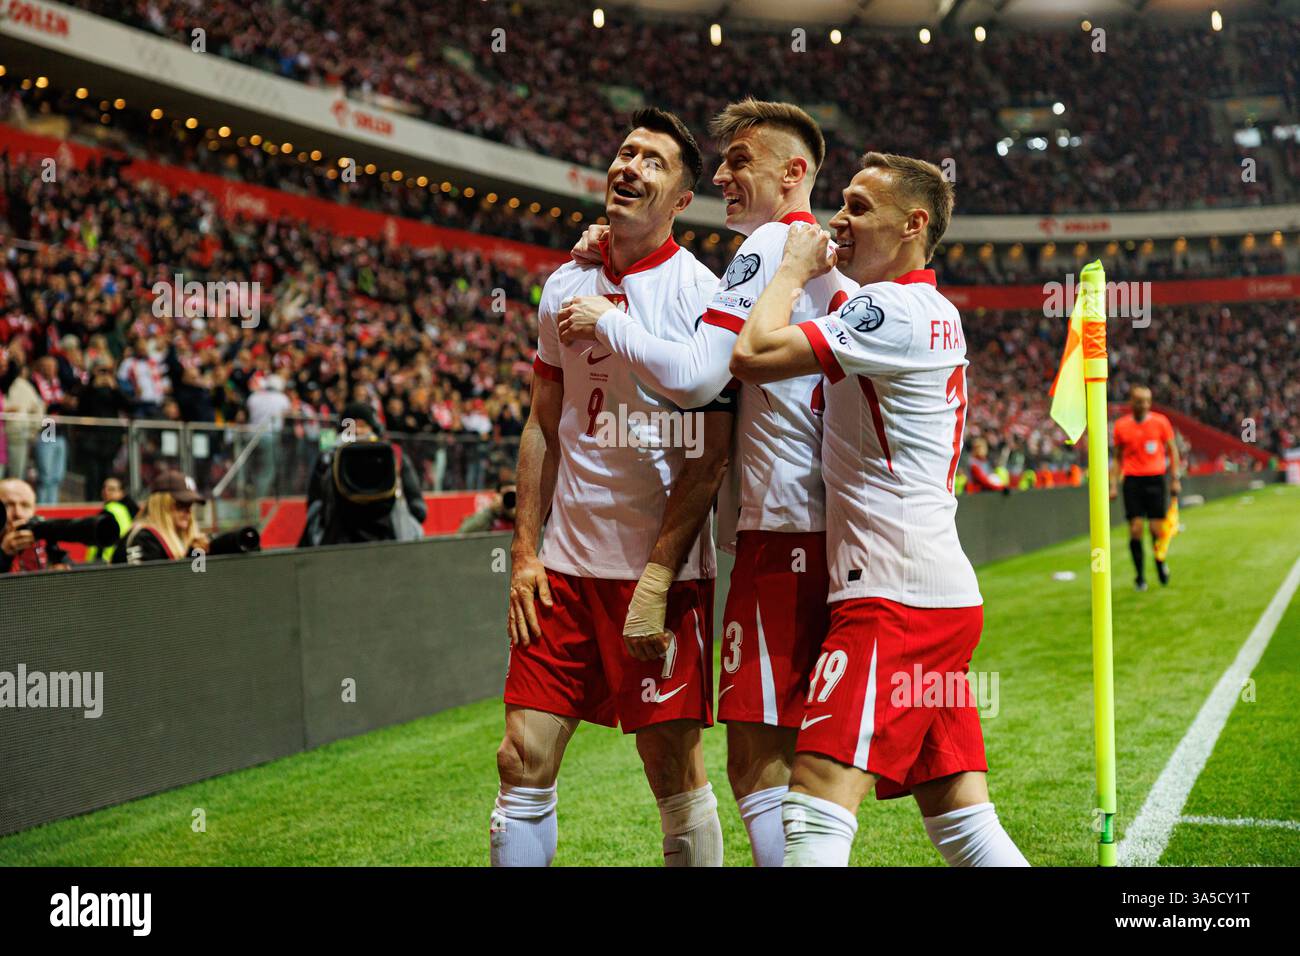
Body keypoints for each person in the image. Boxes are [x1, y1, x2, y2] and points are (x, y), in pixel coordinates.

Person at [556, 99, 851, 866]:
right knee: (800, 763)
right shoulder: (821, 255)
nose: (722, 173)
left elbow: (694, 380)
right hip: (824, 532)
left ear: (793, 173)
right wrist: (609, 251)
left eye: (739, 160)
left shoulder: (767, 248)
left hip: (782, 532)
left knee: (759, 764)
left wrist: (604, 318)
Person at [731, 151, 1028, 867]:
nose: (839, 218)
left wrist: (793, 268)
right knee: (964, 824)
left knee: (813, 805)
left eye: (861, 207)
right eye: (841, 201)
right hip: (935, 595)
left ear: (913, 224)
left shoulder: (888, 310)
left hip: (892, 600)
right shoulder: (931, 310)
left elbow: (752, 352)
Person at [494, 108, 730, 868]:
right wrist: (526, 553)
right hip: (562, 569)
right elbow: (541, 424)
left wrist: (660, 576)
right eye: (624, 152)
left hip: (654, 576)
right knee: (519, 761)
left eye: (653, 161)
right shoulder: (566, 280)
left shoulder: (702, 291)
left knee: (674, 775)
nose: (629, 166)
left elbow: (710, 455)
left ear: (681, 199)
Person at [1110, 384, 1181, 590]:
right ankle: (1140, 576)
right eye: (1140, 401)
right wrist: (1113, 484)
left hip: (1156, 480)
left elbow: (1172, 451)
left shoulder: (1161, 422)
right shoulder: (1121, 426)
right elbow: (1117, 458)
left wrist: (1175, 478)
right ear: (1131, 402)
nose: (1145, 405)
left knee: (1157, 529)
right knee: (1135, 529)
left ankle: (1160, 563)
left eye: (1148, 401)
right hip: (1132, 481)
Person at [113, 469, 209, 565]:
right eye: (181, 504)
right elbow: (144, 579)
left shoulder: (185, 539)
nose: (188, 511)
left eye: (190, 504)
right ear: (161, 505)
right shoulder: (143, 539)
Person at [1, 477, 72, 573]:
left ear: (34, 510)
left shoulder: (44, 540)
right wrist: (3, 554)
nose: (18, 513)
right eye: (8, 505)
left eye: (25, 505)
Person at [84, 476, 138, 564]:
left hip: (106, 562)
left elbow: (102, 541)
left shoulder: (111, 510)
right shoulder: (130, 511)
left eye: (111, 489)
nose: (106, 491)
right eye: (104, 488)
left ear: (121, 493)